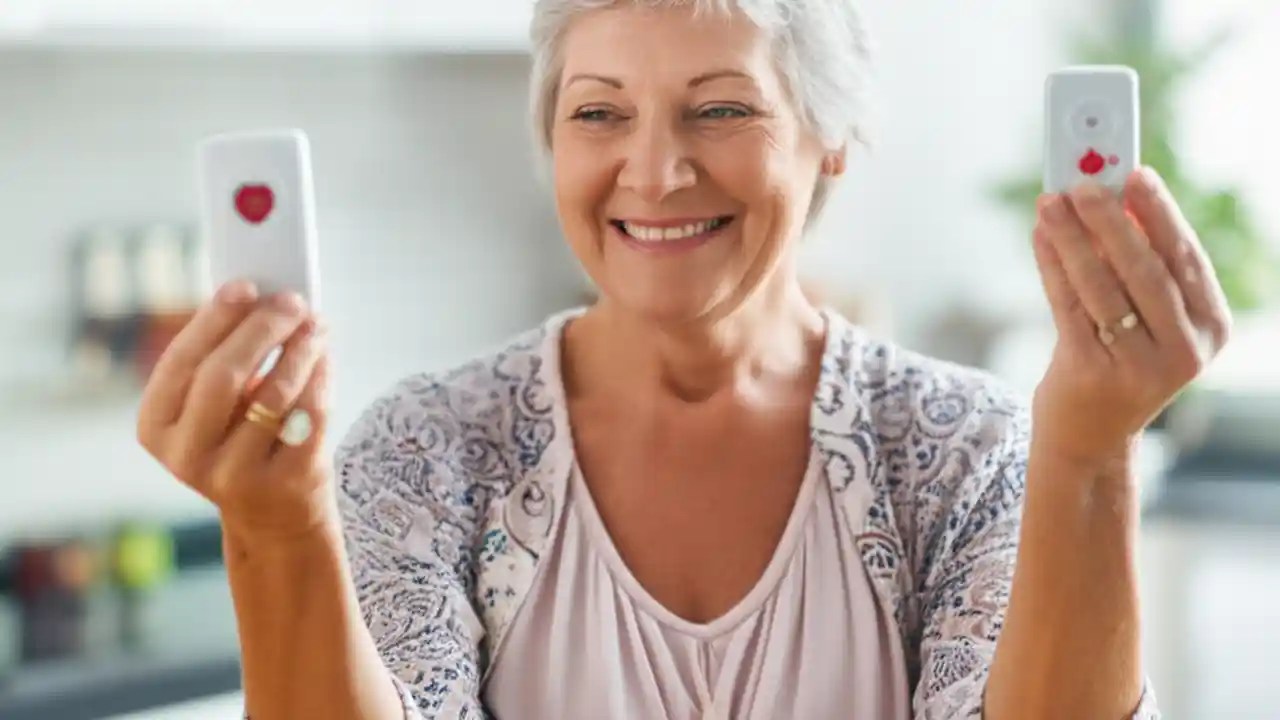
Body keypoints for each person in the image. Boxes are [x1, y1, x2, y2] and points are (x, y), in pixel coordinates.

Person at [137, 1, 1233, 718]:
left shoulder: (963, 454)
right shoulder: (428, 452)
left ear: (830, 139)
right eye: (598, 113)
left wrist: (1089, 455)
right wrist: (279, 532)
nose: (654, 171)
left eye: (719, 109)